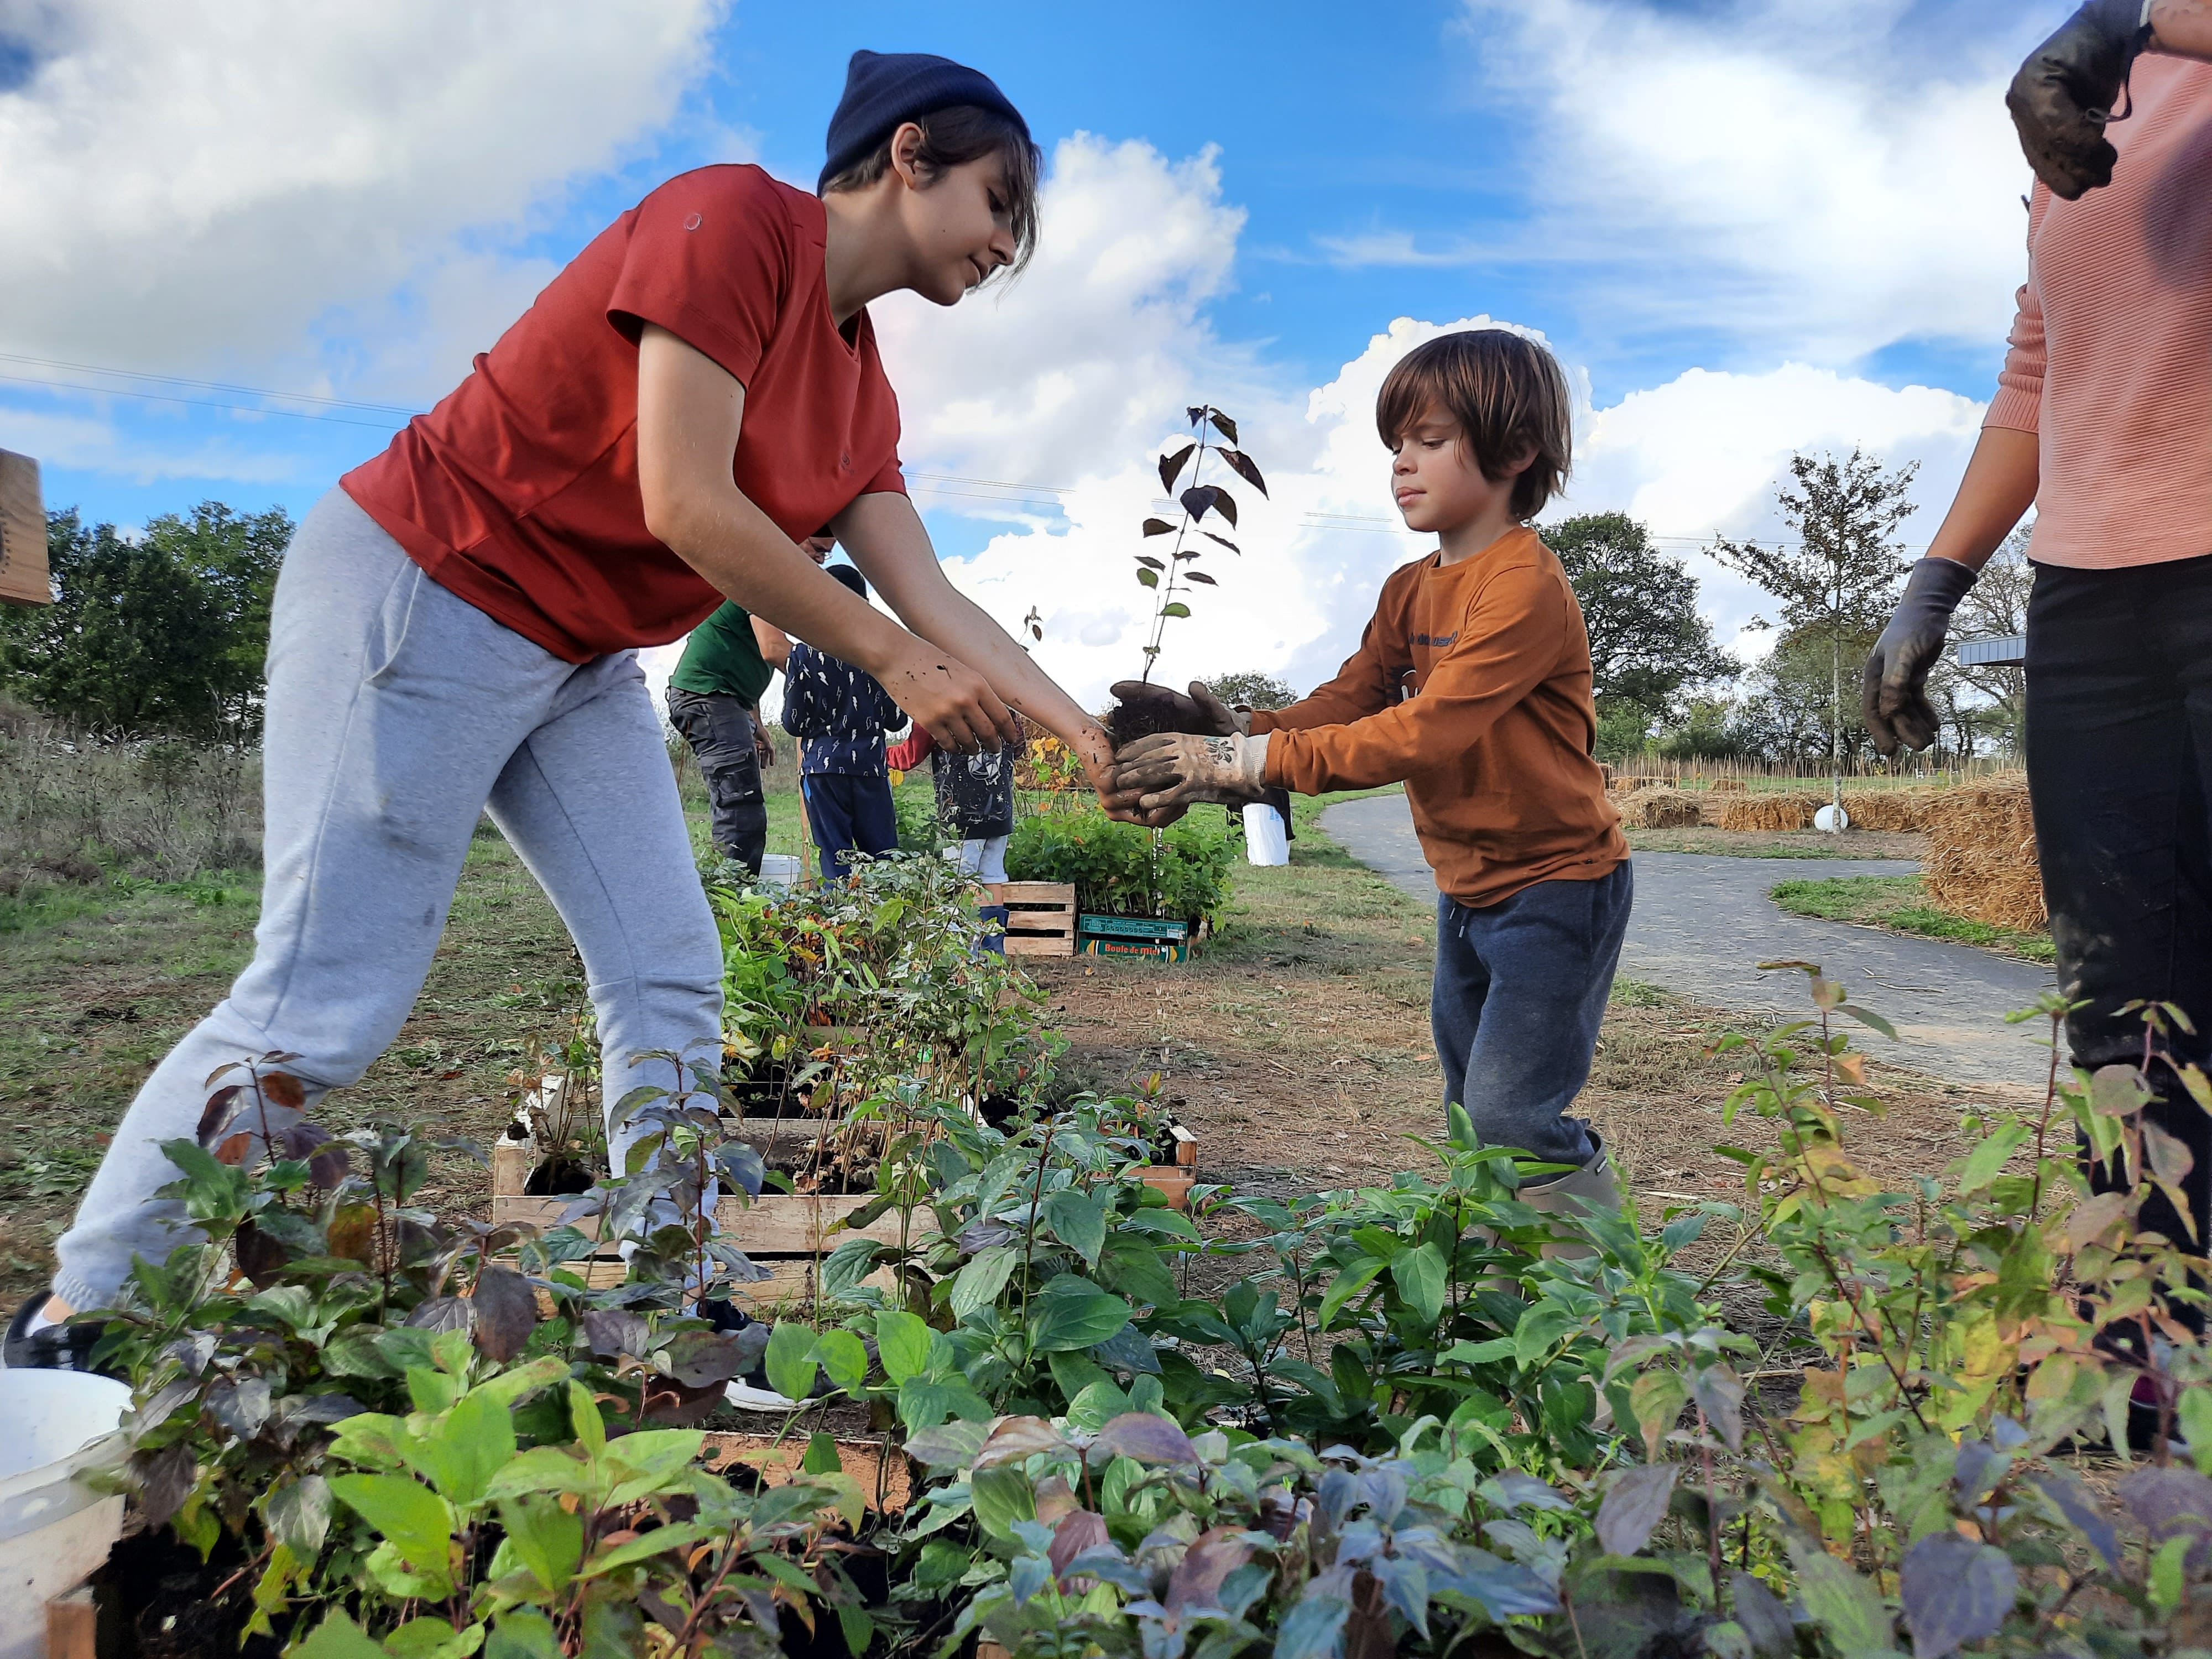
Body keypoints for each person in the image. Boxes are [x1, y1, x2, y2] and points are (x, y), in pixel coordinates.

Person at [6, 49, 1122, 1369]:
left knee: (669, 961)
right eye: (1003, 203)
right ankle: (82, 1317)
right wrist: (888, 657)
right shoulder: (733, 222)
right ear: (909, 153)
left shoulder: (862, 386)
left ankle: (665, 1279)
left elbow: (930, 590)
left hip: (579, 649)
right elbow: (686, 501)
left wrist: (1087, 738)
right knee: (322, 999)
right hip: (429, 575)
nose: (1007, 244)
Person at [1107, 329, 1632, 1223]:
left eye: (1429, 440)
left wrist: (1236, 763)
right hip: (1467, 894)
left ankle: (1629, 1321)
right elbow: (1349, 701)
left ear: (1515, 450)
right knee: (1472, 1116)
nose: (1403, 464)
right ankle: (1502, 1314)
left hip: (1558, 889)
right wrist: (1242, 730)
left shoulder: (1526, 588)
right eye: (1397, 445)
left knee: (1514, 1115)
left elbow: (1420, 735)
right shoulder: (1408, 590)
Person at [1862, 12, 2212, 1270]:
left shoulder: (2110, 49)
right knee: (2127, 1010)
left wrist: (2120, 21)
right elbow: (2038, 360)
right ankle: (2144, 1358)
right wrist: (1936, 579)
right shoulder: (2090, 103)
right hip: (2092, 599)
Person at [666, 531, 833, 872]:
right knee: (741, 808)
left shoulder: (776, 586)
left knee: (740, 803)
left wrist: (757, 725)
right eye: (816, 549)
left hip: (723, 700)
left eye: (826, 555)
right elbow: (774, 650)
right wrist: (836, 688)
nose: (819, 559)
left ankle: (734, 897)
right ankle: (734, 907)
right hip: (707, 696)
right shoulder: (764, 577)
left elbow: (749, 662)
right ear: (793, 535)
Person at [782, 563, 906, 878]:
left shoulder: (804, 655)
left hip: (823, 770)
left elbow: (793, 724)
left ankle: (840, 924)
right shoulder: (879, 652)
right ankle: (887, 926)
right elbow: (895, 719)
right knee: (883, 862)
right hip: (870, 768)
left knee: (835, 860)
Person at [885, 718, 1016, 881]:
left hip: (960, 817)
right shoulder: (1006, 706)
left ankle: (969, 907)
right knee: (993, 876)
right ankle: (993, 908)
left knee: (960, 880)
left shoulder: (936, 708)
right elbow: (1018, 747)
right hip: (1000, 812)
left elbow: (908, 757)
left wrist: (878, 752)